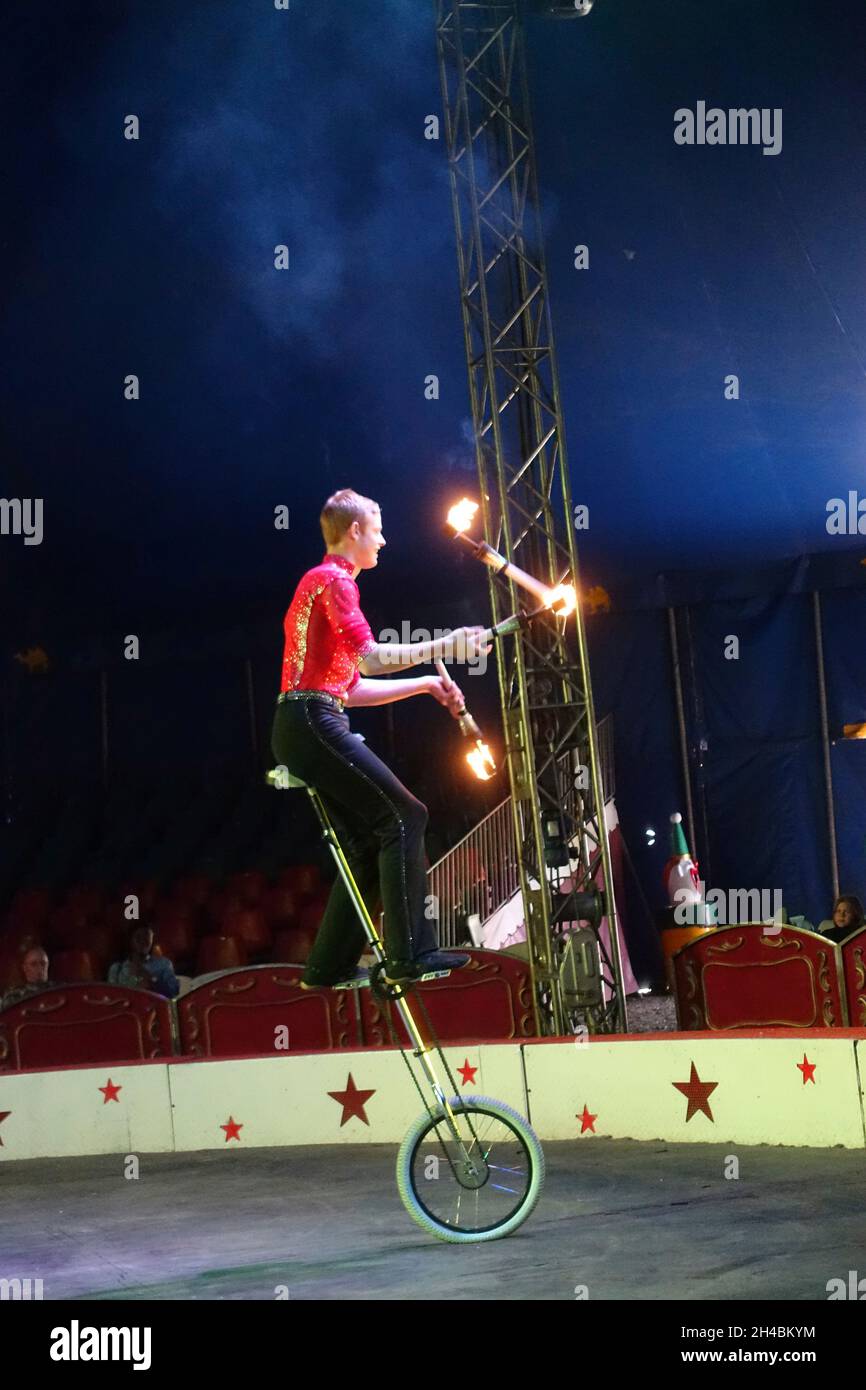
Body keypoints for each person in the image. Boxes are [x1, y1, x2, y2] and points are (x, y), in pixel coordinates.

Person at [271, 487, 492, 988]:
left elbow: (350, 686)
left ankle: (327, 967)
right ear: (355, 531)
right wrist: (447, 644)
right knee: (406, 816)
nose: (384, 540)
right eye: (378, 529)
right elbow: (370, 658)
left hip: (305, 722)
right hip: (312, 722)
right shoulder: (333, 581)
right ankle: (410, 953)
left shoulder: (322, 584)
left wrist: (427, 684)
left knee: (368, 844)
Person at [108, 924, 180, 998]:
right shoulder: (117, 969)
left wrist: (152, 979)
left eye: (146, 937)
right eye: (138, 938)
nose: (142, 942)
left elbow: (173, 992)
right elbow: (111, 997)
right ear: (130, 940)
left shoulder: (164, 964)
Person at [0, 945, 55, 1010]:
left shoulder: (57, 990)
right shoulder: (14, 995)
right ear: (25, 968)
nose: (40, 968)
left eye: (43, 963)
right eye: (33, 964)